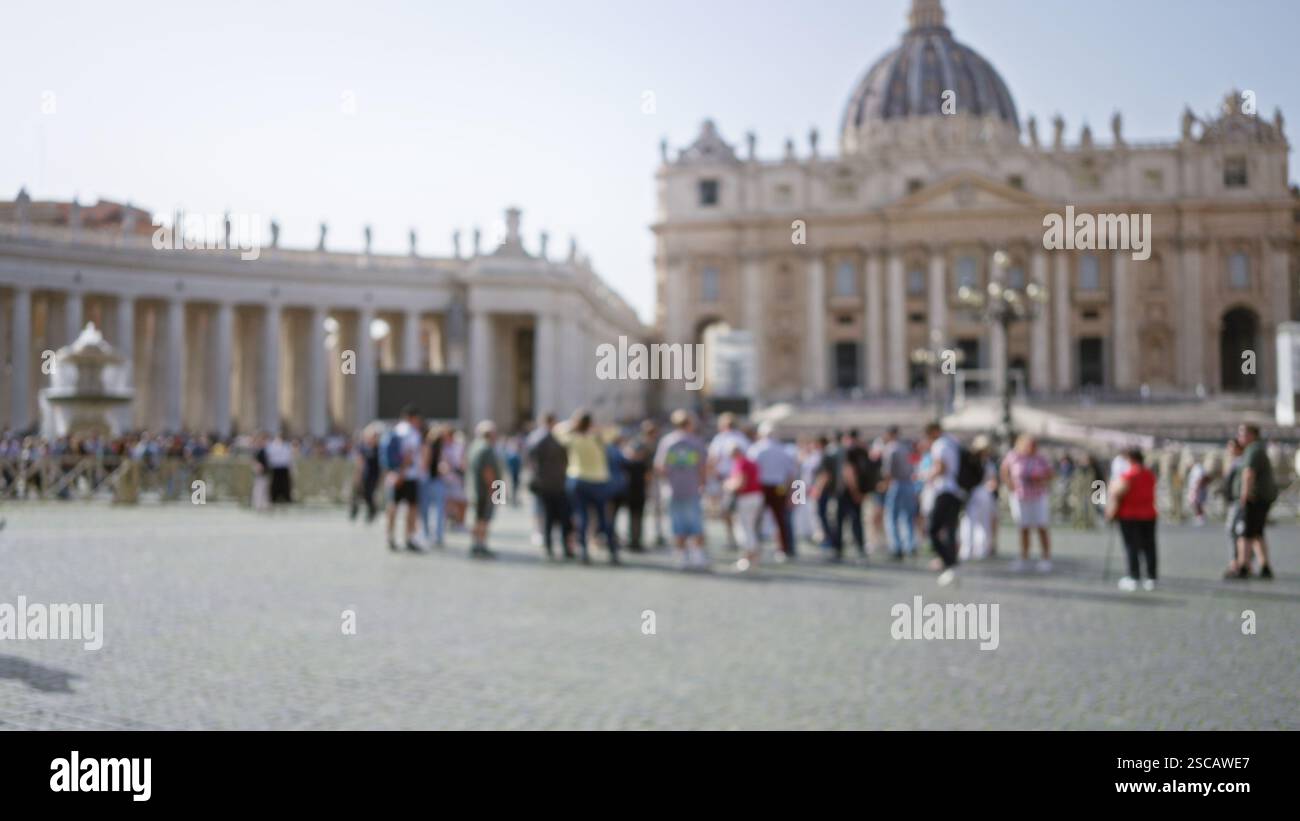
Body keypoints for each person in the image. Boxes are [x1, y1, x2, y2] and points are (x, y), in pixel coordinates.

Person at [556, 410, 617, 565]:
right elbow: (614, 431)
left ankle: (583, 550)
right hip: (598, 480)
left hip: (578, 480)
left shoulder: (573, 438)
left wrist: (572, 424)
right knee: (604, 517)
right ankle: (612, 550)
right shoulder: (597, 437)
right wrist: (595, 427)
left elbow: (557, 430)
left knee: (581, 516)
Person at [654, 410, 709, 570]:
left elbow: (660, 466)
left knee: (677, 523)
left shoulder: (667, 441)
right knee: (696, 523)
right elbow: (703, 467)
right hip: (692, 488)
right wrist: (702, 483)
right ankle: (698, 555)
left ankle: (681, 555)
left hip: (673, 489)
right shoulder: (696, 442)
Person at [1228, 423, 1277, 580]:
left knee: (1245, 533)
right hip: (1262, 498)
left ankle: (1243, 566)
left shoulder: (1253, 450)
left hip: (1254, 498)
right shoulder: (1257, 449)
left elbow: (1249, 473)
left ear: (1252, 435)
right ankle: (1264, 565)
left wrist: (1244, 495)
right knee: (1257, 533)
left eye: (1242, 433)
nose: (1239, 437)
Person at [1106, 448, 1159, 591]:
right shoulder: (1150, 474)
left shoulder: (1129, 474)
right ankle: (1151, 577)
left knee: (1131, 546)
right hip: (1149, 514)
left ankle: (1134, 576)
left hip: (1130, 515)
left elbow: (1117, 492)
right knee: (1150, 547)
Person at [1000, 433, 1054, 572]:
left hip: (1038, 496)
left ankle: (1046, 558)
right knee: (1023, 527)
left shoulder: (1040, 458)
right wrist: (1010, 485)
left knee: (1041, 526)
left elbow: (1050, 473)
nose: (1032, 447)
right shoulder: (1014, 456)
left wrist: (1041, 478)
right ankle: (1024, 557)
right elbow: (1004, 471)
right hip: (1020, 496)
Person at [748, 421, 798, 561]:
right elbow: (792, 475)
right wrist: (792, 494)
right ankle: (784, 549)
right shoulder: (785, 450)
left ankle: (754, 547)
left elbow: (752, 471)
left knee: (756, 519)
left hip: (762, 487)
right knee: (781, 519)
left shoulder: (756, 449)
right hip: (779, 487)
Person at [922, 421, 963, 586]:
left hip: (944, 491)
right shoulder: (953, 442)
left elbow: (941, 468)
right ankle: (952, 565)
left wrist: (926, 476)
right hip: (956, 491)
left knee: (932, 529)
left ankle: (948, 562)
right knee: (950, 530)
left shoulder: (940, 445)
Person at [527, 413, 572, 560]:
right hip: (556, 482)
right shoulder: (553, 438)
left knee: (549, 516)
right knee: (559, 516)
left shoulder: (536, 438)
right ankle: (561, 546)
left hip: (548, 482)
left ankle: (550, 545)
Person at [707, 413, 751, 550]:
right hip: (740, 479)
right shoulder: (743, 439)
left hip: (728, 480)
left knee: (728, 511)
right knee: (738, 512)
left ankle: (733, 538)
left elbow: (713, 460)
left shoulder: (720, 439)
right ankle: (741, 539)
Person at [830, 428, 875, 561]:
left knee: (841, 520)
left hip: (847, 491)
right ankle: (859, 548)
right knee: (856, 521)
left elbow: (849, 472)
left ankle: (838, 549)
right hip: (858, 492)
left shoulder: (847, 451)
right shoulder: (863, 451)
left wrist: (855, 491)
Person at [385, 405, 424, 552]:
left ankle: (390, 537)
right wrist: (401, 474)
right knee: (410, 508)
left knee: (393, 506)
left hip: (396, 474)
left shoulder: (395, 430)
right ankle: (409, 537)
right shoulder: (410, 432)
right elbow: (408, 455)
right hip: (406, 475)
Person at [879, 426, 918, 559]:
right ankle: (910, 545)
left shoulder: (890, 448)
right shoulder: (905, 447)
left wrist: (885, 484)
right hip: (908, 483)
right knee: (907, 516)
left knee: (891, 516)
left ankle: (896, 547)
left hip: (896, 483)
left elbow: (888, 471)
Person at [464, 420, 501, 559]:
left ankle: (476, 544)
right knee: (484, 519)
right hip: (486, 490)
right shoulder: (487, 448)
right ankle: (481, 545)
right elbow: (489, 472)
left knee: (477, 518)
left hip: (474, 489)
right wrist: (496, 492)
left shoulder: (474, 446)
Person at [726, 442, 765, 572]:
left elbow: (741, 483)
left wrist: (727, 485)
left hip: (746, 497)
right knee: (750, 527)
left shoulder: (741, 462)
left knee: (744, 528)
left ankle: (748, 557)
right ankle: (752, 556)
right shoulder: (751, 462)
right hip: (756, 496)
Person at [960, 435, 998, 562]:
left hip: (981, 494)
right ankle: (969, 548)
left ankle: (979, 549)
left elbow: (992, 481)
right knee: (971, 521)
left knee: (980, 522)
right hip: (976, 493)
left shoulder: (987, 463)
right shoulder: (973, 462)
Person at [420, 424, 448, 548]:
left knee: (427, 509)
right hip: (435, 480)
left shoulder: (428, 446)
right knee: (438, 510)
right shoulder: (438, 446)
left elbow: (425, 465)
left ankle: (427, 534)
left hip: (429, 480)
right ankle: (437, 536)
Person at [349, 424, 382, 523]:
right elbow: (359, 461)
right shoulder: (363, 447)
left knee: (369, 494)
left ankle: (372, 512)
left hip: (374, 475)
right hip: (363, 474)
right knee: (356, 494)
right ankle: (354, 511)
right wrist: (357, 475)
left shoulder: (379, 448)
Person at [266, 432, 294, 506]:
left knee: (285, 484)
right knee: (275, 484)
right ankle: (274, 497)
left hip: (284, 467)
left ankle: (286, 497)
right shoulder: (271, 446)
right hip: (275, 467)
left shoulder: (286, 446)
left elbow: (289, 456)